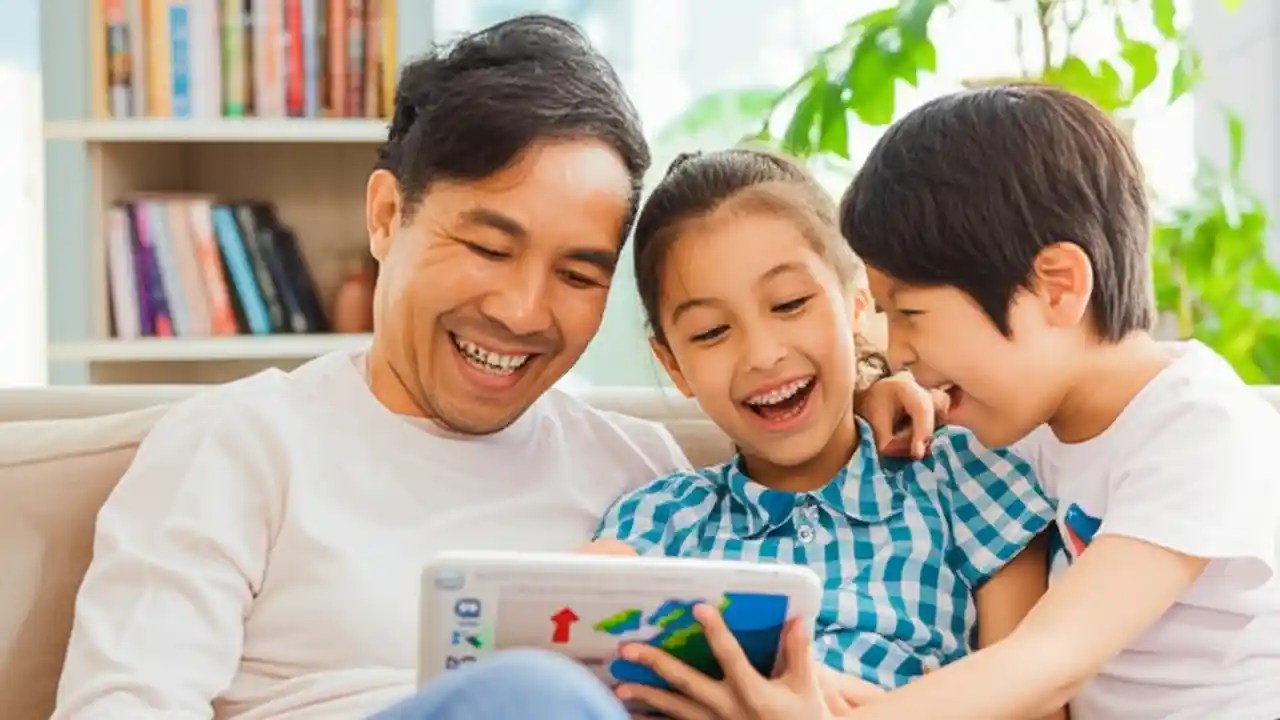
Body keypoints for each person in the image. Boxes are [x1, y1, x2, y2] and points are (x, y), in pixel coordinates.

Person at [51, 14, 933, 720]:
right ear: (389, 215)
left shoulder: (646, 478)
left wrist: (874, 380)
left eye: (578, 273)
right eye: (487, 246)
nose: (521, 312)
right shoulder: (241, 443)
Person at [629, 84, 1280, 720]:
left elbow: (1050, 656)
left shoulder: (1201, 431)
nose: (900, 347)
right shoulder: (1029, 422)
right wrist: (866, 390)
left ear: (1056, 289)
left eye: (909, 313)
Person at [580, 148, 1058, 719]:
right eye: (710, 332)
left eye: (790, 303)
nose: (762, 354)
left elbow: (1037, 703)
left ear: (857, 303)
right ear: (673, 365)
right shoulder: (660, 521)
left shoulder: (960, 478)